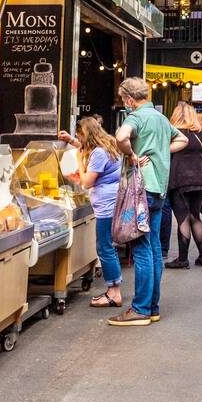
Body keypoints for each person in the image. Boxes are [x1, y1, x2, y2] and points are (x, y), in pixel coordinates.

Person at [109, 77, 188, 327]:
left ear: (131, 99)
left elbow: (121, 136)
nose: (125, 104)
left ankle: (141, 309)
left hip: (140, 189)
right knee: (153, 247)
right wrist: (160, 151)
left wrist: (131, 154)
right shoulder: (161, 118)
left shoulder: (136, 117)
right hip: (158, 190)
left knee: (141, 247)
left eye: (124, 100)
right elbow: (183, 140)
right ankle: (152, 307)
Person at [72, 116, 123, 309]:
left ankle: (114, 292)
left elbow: (87, 182)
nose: (80, 139)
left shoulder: (98, 153)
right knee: (107, 247)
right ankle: (113, 288)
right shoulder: (109, 145)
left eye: (80, 135)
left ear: (87, 134)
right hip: (111, 202)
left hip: (105, 206)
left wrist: (78, 159)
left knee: (105, 248)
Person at [164, 101, 202, 269]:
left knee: (183, 219)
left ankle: (183, 259)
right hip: (198, 180)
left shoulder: (173, 134)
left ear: (176, 115)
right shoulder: (201, 135)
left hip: (179, 181)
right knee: (195, 217)